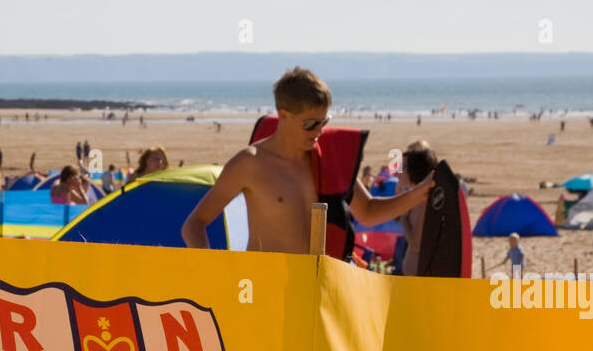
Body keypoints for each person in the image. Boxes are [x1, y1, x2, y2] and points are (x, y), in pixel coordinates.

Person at [182, 67, 433, 254]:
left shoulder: (325, 161)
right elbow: (194, 224)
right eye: (311, 124)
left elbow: (367, 212)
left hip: (316, 291)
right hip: (266, 290)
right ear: (284, 116)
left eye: (324, 122)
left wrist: (420, 193)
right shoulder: (250, 164)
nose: (319, 132)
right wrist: (212, 271)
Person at [395, 140, 438, 276]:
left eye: (402, 167)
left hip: (419, 278)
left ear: (413, 171)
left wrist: (403, 219)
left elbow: (416, 244)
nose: (397, 172)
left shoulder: (422, 201)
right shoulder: (417, 197)